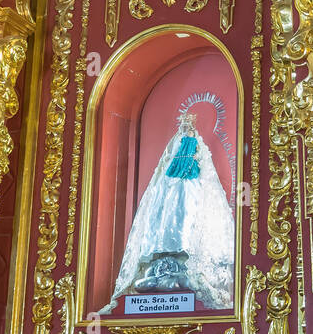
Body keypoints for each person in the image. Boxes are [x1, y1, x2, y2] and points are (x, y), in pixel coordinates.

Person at [99, 112, 235, 314]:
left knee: (184, 215)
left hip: (189, 192)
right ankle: (167, 254)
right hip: (170, 194)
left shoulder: (194, 163)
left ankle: (182, 255)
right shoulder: (167, 174)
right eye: (184, 126)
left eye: (188, 126)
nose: (185, 128)